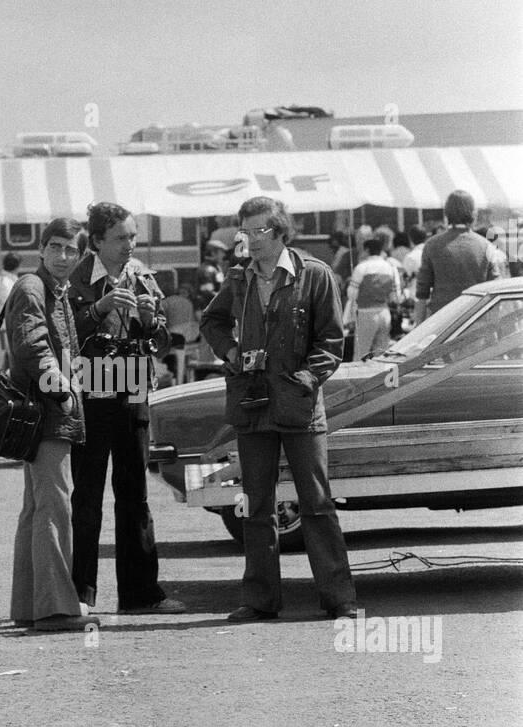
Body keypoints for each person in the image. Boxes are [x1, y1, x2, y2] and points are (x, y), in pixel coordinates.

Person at [200, 195, 356, 623]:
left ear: (282, 232)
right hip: (253, 403)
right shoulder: (238, 279)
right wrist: (231, 352)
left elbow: (332, 341)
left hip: (301, 406)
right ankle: (260, 599)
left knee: (317, 503)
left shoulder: (316, 275)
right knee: (255, 504)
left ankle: (340, 599)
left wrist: (306, 379)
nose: (250, 240)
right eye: (245, 232)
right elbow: (211, 322)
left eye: (259, 231)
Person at [68, 202, 186, 615]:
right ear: (96, 241)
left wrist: (153, 324)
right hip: (94, 380)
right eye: (120, 238)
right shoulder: (77, 278)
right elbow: (62, 336)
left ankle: (141, 593)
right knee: (87, 492)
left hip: (133, 380)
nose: (129, 245)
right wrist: (97, 310)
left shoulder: (143, 277)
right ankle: (80, 592)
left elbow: (164, 344)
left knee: (134, 492)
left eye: (133, 237)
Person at [5, 220, 98, 634]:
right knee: (54, 507)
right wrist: (60, 388)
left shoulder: (54, 290)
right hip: (47, 414)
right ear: (41, 249)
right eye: (56, 247)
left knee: (37, 508)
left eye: (70, 250)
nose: (63, 256)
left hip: (48, 413)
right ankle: (56, 608)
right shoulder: (32, 287)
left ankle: (31, 605)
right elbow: (33, 345)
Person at [414, 190, 500, 322]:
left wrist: (418, 326)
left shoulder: (431, 245)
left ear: (447, 213)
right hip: (476, 322)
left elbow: (422, 292)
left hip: (441, 323)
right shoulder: (486, 246)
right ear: (473, 213)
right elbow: (495, 290)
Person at [343, 236, 402, 360]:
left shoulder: (361, 267)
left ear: (367, 250)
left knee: (360, 353)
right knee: (381, 356)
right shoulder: (391, 268)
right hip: (385, 313)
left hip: (366, 313)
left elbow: (351, 294)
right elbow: (396, 297)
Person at [0, 251, 21, 371]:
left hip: (3, 325)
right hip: (3, 327)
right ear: (17, 266)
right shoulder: (5, 283)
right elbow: (8, 307)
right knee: (0, 357)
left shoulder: (3, 280)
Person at [401, 224, 427, 293]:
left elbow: (405, 280)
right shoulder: (432, 253)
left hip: (415, 295)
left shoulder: (410, 257)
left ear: (410, 239)